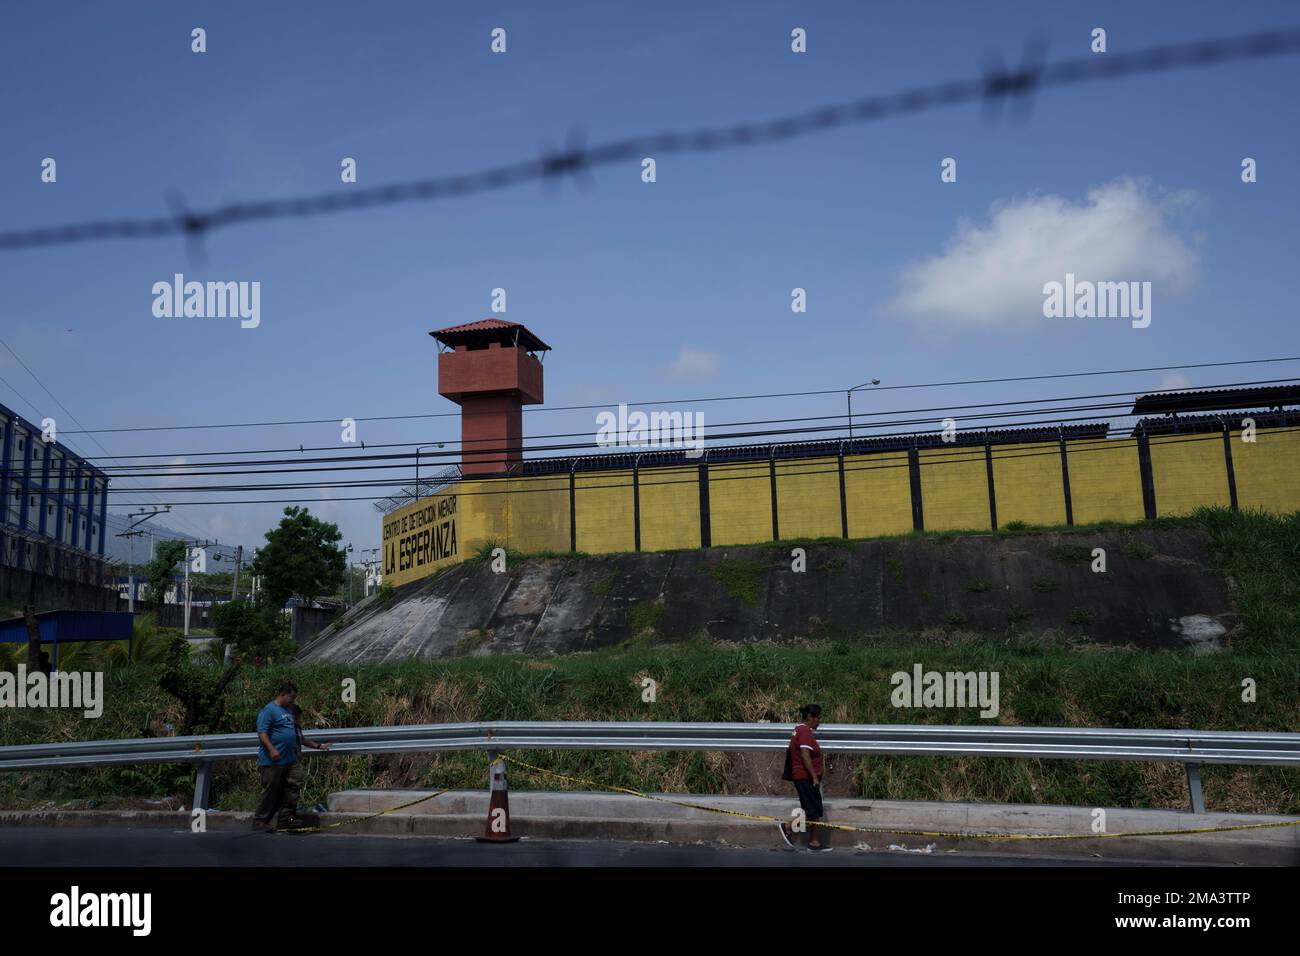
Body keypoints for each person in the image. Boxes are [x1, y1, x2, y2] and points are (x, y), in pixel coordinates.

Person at [778, 704, 829, 851]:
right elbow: (805, 755)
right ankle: (787, 827)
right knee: (814, 810)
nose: (819, 721)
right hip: (805, 777)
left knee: (812, 810)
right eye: (818, 717)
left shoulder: (799, 729)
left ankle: (814, 842)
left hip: (802, 777)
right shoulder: (805, 731)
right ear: (810, 717)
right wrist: (814, 777)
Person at [252, 682, 300, 831]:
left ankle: (287, 819)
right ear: (283, 694)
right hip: (273, 759)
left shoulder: (289, 710)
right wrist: (272, 749)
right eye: (291, 697)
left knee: (292, 789)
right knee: (271, 790)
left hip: (290, 759)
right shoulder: (269, 710)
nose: (293, 700)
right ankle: (260, 820)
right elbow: (262, 732)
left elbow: (293, 732)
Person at [282, 703, 331, 824]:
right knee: (289, 790)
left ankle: (290, 816)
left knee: (293, 790)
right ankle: (286, 818)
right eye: (298, 717)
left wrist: (319, 746)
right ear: (293, 716)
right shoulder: (285, 728)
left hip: (295, 763)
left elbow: (302, 740)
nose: (300, 720)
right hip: (288, 763)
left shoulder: (296, 728)